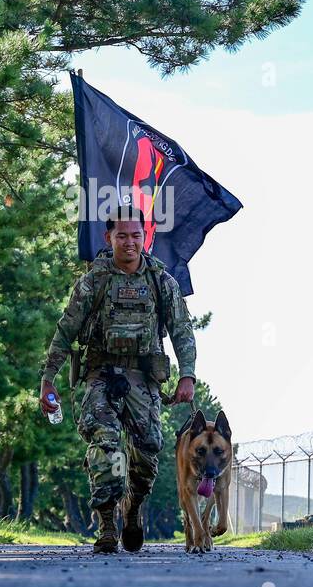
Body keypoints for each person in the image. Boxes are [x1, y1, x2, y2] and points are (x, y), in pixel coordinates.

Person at [39, 206, 197, 553]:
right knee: (105, 445)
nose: (129, 242)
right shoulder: (94, 280)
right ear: (109, 238)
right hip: (102, 376)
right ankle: (107, 523)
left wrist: (187, 374)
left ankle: (134, 508)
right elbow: (66, 329)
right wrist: (48, 378)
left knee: (146, 454)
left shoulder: (160, 280)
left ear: (145, 237)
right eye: (121, 235)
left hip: (144, 377)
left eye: (135, 235)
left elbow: (182, 330)